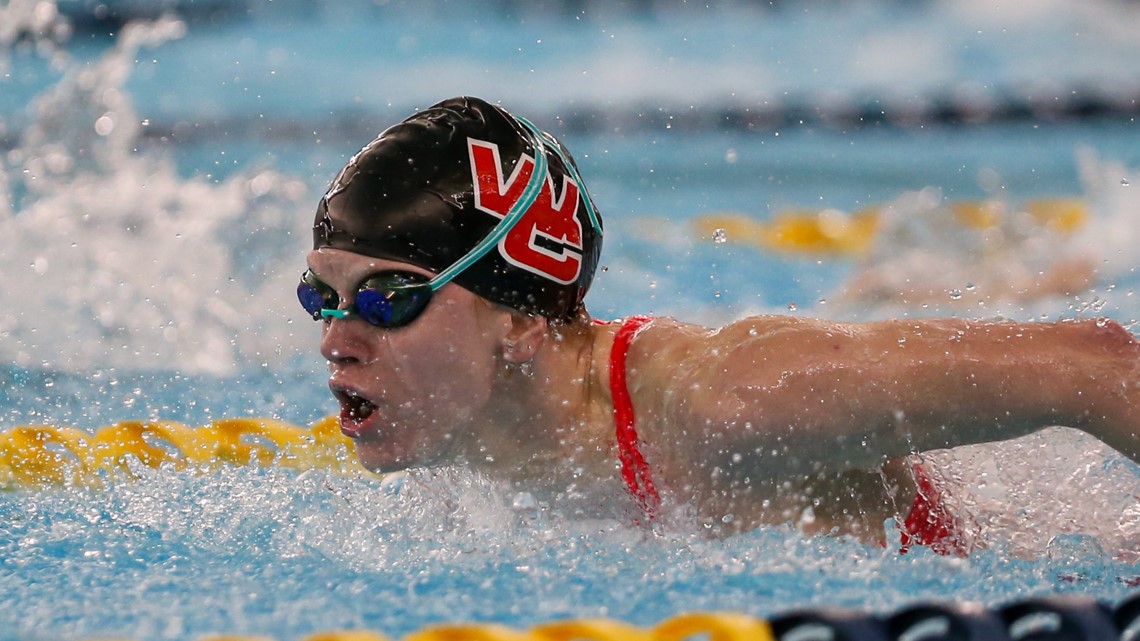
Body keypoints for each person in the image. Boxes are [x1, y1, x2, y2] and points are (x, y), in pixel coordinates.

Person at [300, 96, 1139, 551]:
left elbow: (1097, 363)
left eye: (387, 299)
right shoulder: (457, 444)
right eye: (322, 297)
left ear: (520, 320)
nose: (338, 337)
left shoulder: (729, 404)